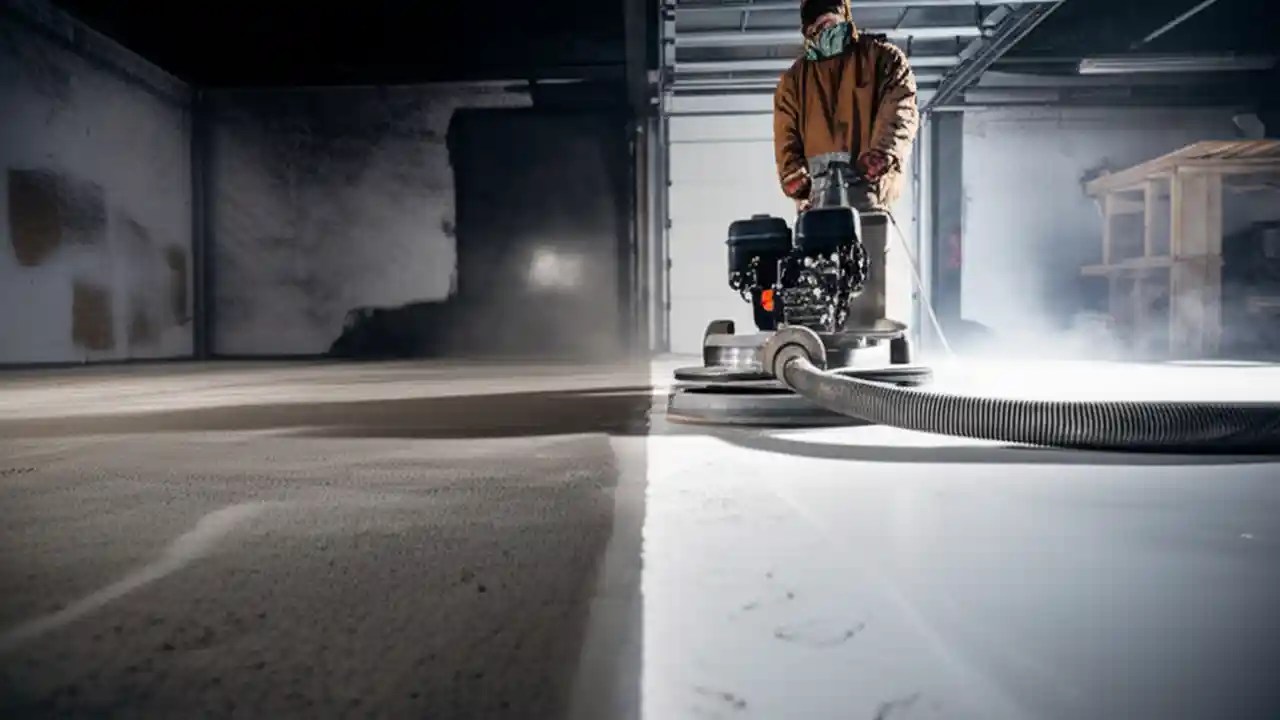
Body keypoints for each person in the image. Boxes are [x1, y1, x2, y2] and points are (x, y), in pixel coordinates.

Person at [773, 0, 920, 213]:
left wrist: (883, 152)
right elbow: (786, 131)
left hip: (871, 195)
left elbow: (900, 109)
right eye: (817, 28)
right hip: (817, 202)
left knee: (871, 231)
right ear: (808, 32)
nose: (825, 32)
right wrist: (792, 172)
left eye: (830, 23)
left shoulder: (884, 60)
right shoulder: (794, 81)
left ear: (845, 17)